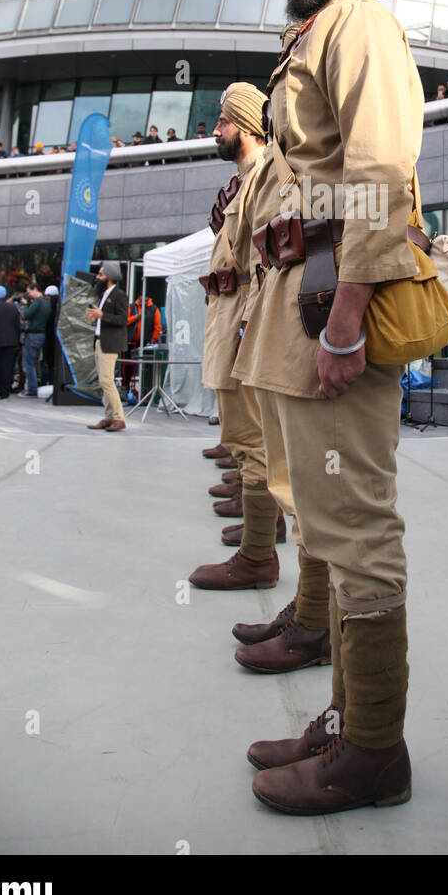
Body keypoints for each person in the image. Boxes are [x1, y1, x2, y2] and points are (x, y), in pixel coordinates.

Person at [234, 0, 423, 815]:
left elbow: (380, 173)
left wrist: (347, 316)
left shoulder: (359, 24)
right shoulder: (324, 31)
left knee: (356, 532)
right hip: (302, 303)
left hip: (330, 309)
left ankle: (375, 753)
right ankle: (350, 724)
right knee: (330, 525)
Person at [188, 83, 302, 603]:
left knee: (256, 447)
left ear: (247, 126)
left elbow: (264, 265)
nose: (216, 130)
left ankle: (258, 556)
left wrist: (249, 329)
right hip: (228, 324)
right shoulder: (244, 182)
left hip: (242, 326)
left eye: (223, 121)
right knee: (243, 440)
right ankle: (259, 542)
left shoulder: (266, 176)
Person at [85, 262, 128, 432]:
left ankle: (118, 417)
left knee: (106, 380)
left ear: (109, 278)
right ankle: (109, 416)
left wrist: (102, 315)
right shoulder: (103, 295)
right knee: (104, 381)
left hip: (109, 343)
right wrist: (96, 318)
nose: (97, 277)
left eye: (101, 275)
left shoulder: (119, 295)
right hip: (100, 340)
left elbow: (122, 319)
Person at [21, 284, 50, 397]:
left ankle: (32, 388)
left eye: (29, 292)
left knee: (29, 362)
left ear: (35, 289)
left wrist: (26, 305)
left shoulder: (37, 302)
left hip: (33, 334)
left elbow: (26, 315)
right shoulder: (47, 302)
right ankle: (35, 384)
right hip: (41, 334)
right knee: (36, 361)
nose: (28, 295)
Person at [41, 285, 60, 386]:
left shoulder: (49, 308)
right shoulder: (57, 307)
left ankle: (47, 381)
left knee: (47, 362)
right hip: (53, 339)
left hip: (49, 339)